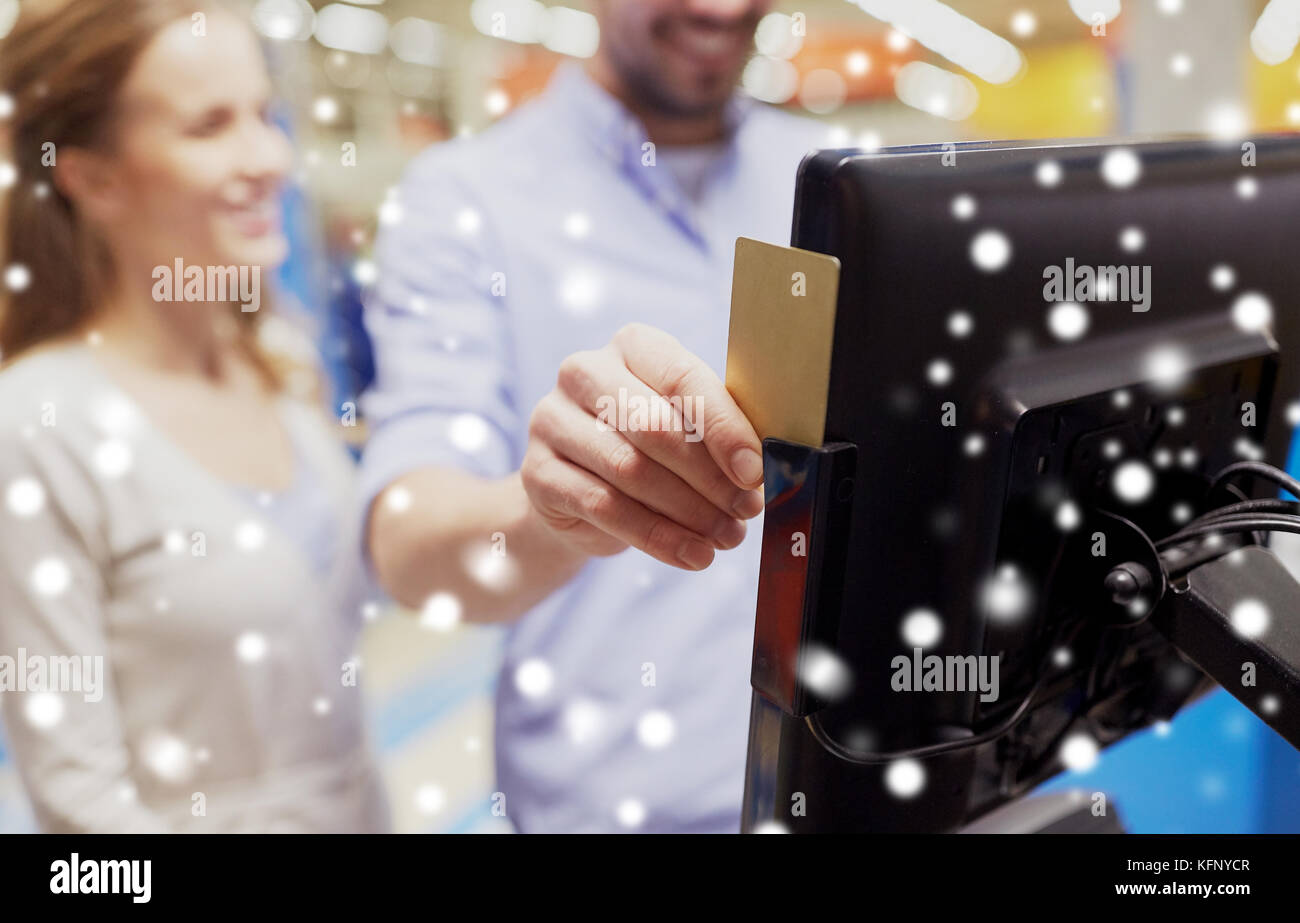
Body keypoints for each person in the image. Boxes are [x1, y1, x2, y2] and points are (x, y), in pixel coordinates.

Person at [363, 0, 825, 832]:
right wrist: (550, 508)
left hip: (839, 787)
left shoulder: (832, 182)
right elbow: (407, 546)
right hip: (607, 809)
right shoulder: (465, 199)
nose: (720, 9)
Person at [0, 0, 389, 832]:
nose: (270, 157)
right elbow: (79, 807)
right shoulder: (37, 430)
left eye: (265, 115)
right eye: (210, 127)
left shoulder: (280, 365)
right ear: (92, 177)